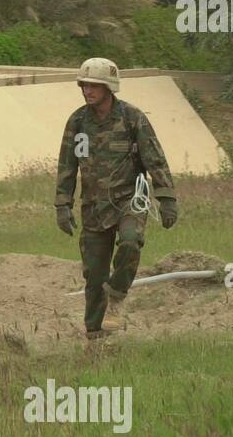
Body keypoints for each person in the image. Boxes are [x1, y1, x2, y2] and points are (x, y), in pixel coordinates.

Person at [54, 58, 179, 337]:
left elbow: (154, 158)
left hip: (129, 202)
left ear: (109, 87)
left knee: (131, 243)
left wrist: (167, 197)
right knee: (94, 277)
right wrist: (63, 204)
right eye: (84, 85)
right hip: (93, 208)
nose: (87, 90)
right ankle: (95, 337)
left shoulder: (132, 118)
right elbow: (67, 165)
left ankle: (119, 295)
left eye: (94, 85)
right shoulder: (77, 122)